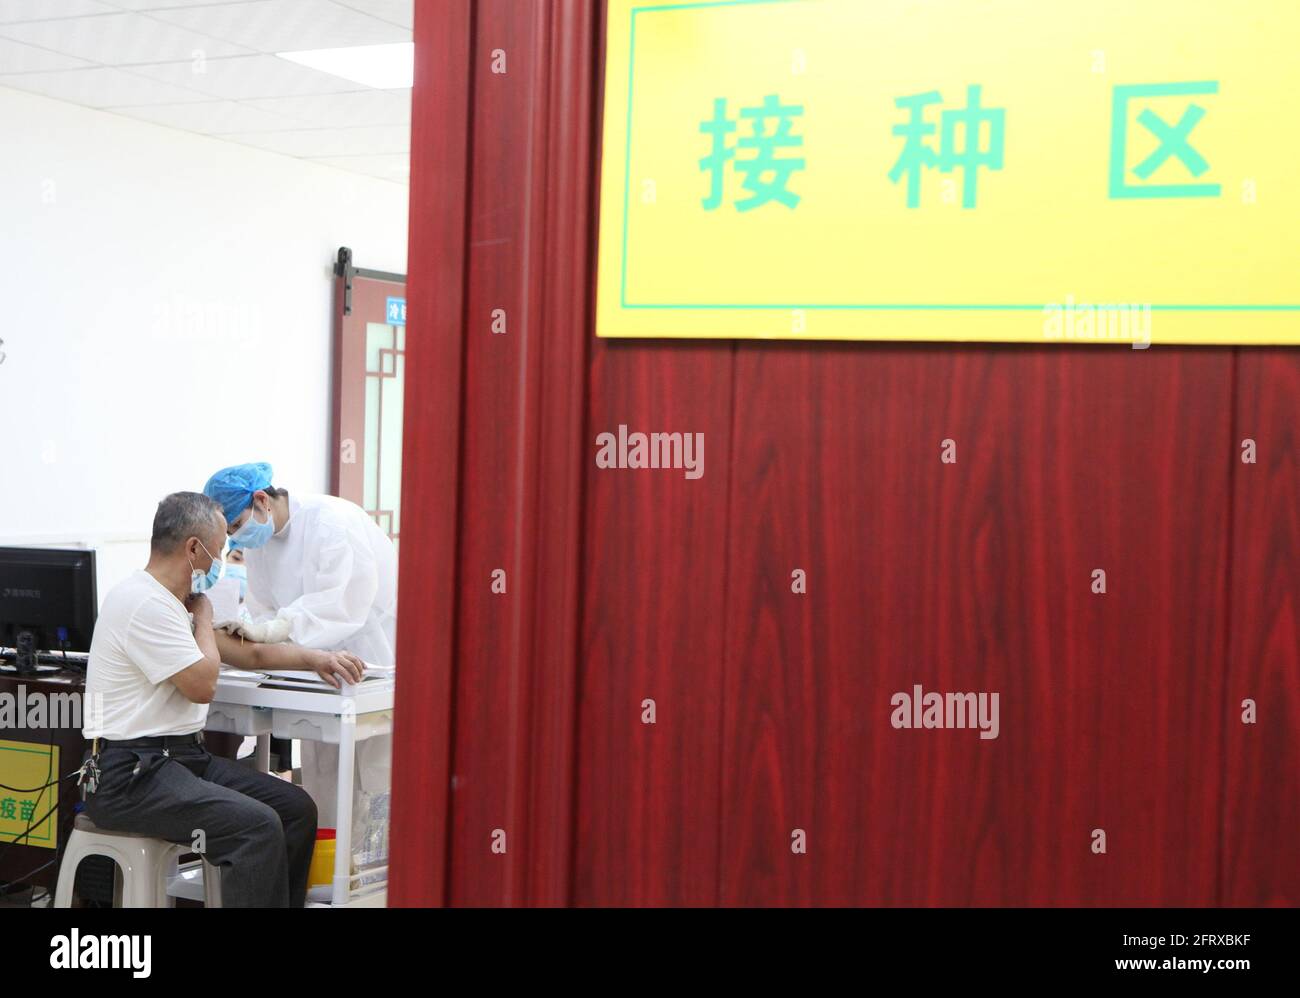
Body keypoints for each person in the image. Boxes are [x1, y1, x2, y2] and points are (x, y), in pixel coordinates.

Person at [80, 492, 324, 907]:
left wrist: (319, 659)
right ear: (194, 548)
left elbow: (251, 654)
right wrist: (206, 621)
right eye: (219, 549)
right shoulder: (145, 603)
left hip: (179, 761)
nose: (220, 562)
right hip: (131, 776)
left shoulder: (176, 604)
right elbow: (203, 684)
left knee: (295, 808)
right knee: (257, 828)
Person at [202, 462, 396, 848]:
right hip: (315, 673)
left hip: (375, 663)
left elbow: (342, 604)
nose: (236, 540)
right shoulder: (261, 541)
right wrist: (252, 633)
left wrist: (277, 630)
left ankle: (368, 886)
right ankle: (327, 878)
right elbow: (262, 609)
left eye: (236, 526)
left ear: (261, 501)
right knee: (325, 780)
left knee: (374, 781)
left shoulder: (332, 522)